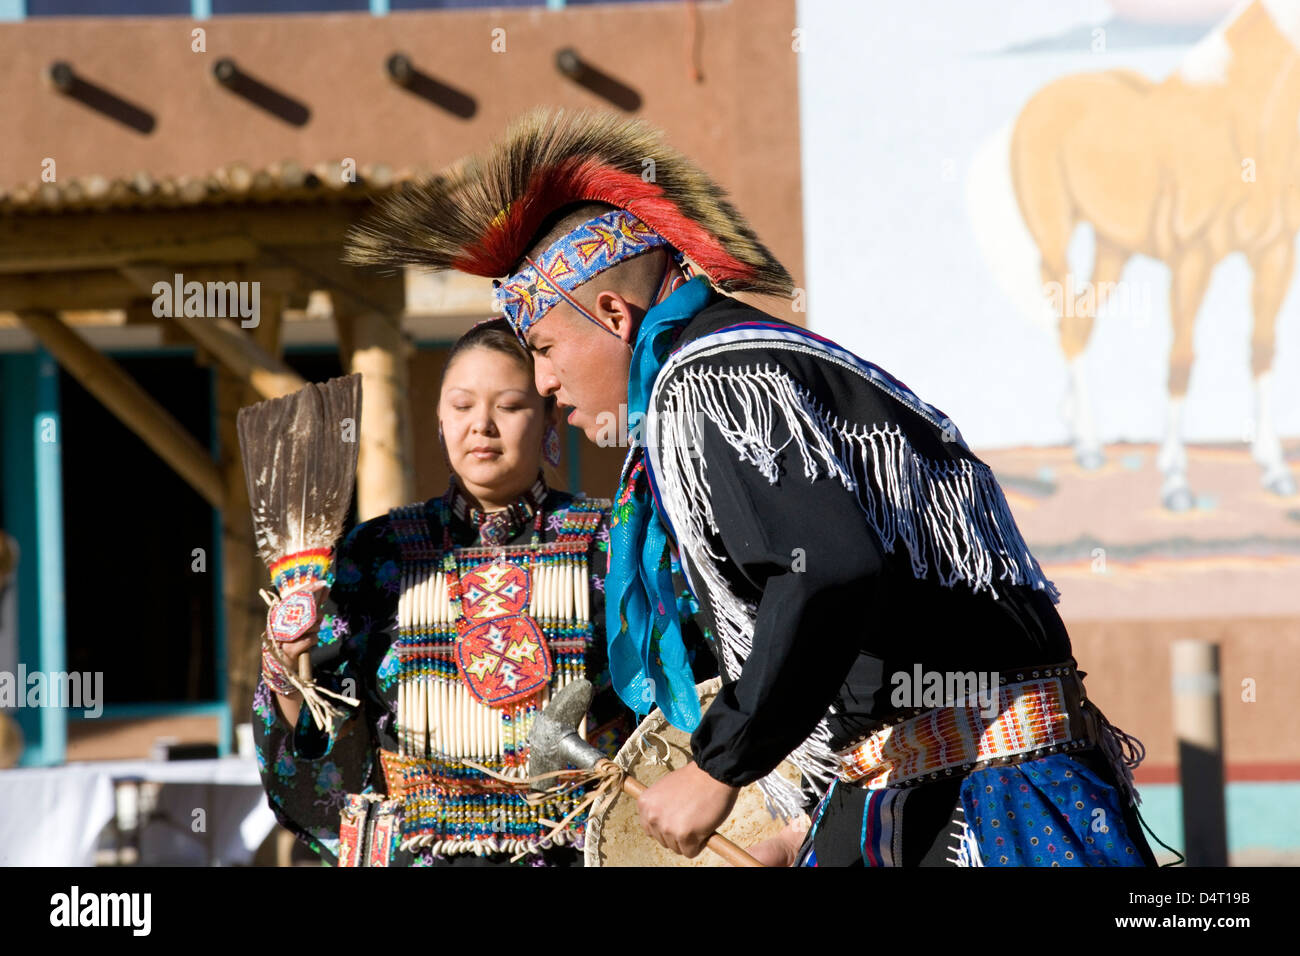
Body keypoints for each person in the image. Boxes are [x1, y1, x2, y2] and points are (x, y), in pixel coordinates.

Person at [343, 108, 1158, 868]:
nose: (546, 381)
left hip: (991, 799)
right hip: (938, 785)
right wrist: (812, 821)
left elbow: (829, 571)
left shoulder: (713, 382)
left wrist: (718, 767)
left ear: (615, 315)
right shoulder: (756, 361)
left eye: (548, 349)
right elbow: (878, 621)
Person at [252, 318, 626, 866]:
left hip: (578, 847)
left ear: (549, 415)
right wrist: (286, 670)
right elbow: (326, 741)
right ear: (440, 419)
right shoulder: (372, 555)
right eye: (462, 405)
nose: (482, 426)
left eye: (510, 406)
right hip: (420, 850)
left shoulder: (611, 542)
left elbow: (677, 700)